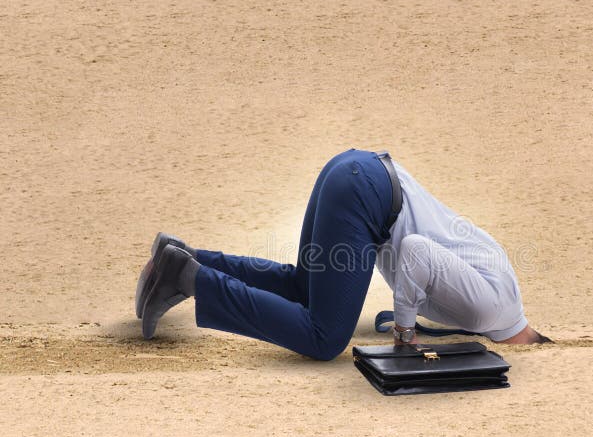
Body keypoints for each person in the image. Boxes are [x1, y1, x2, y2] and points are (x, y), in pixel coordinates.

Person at [135, 149, 551, 361]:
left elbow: (436, 276)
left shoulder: (500, 300)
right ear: (524, 346)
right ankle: (188, 277)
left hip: (357, 171)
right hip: (365, 196)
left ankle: (185, 257)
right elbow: (416, 251)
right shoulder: (489, 312)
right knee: (325, 337)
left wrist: (408, 320)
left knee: (305, 289)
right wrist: (405, 332)